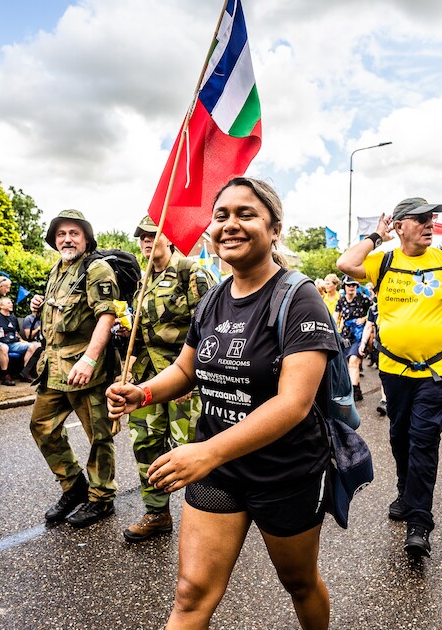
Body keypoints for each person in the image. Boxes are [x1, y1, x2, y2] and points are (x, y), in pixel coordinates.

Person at [108, 177, 335, 628]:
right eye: (221, 215)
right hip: (219, 473)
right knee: (191, 593)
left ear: (275, 229)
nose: (230, 224)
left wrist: (205, 451)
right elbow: (187, 370)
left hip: (284, 471)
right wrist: (144, 393)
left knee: (299, 583)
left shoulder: (300, 298)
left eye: (246, 214)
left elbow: (294, 404)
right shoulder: (212, 298)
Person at [338, 197, 442, 558]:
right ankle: (406, 491)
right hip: (393, 370)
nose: (429, 223)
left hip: (435, 371)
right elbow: (345, 263)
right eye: (420, 218)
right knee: (400, 435)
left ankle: (419, 522)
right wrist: (376, 235)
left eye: (431, 218)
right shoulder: (385, 260)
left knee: (424, 441)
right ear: (401, 225)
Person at [119, 215, 212, 543]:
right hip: (149, 377)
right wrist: (128, 367)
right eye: (141, 236)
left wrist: (191, 376)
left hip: (186, 377)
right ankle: (157, 513)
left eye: (152, 235)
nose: (146, 241)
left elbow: (209, 329)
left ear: (169, 239)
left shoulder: (191, 272)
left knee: (192, 448)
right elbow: (141, 332)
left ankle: (210, 516)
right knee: (145, 442)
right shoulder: (142, 281)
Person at [27, 209, 120, 528]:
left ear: (86, 238)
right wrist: (40, 305)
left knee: (98, 435)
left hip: (87, 371)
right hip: (54, 369)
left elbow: (107, 316)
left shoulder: (97, 269)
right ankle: (74, 486)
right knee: (41, 426)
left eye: (74, 233)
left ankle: (101, 498)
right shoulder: (57, 269)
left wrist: (90, 358)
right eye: (61, 234)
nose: (67, 239)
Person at [0, 296, 39, 386]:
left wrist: (22, 340)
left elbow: (16, 332)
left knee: (31, 346)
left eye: (11, 302)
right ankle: (5, 376)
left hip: (13, 343)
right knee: (4, 347)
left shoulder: (13, 318)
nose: (11, 304)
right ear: (1, 306)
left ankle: (25, 373)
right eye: (8, 303)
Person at [335, 277, 372, 403]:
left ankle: (354, 391)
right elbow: (336, 317)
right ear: (344, 286)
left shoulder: (364, 299)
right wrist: (334, 331)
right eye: (349, 285)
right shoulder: (341, 301)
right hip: (345, 335)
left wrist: (364, 318)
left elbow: (375, 311)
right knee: (345, 363)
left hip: (359, 336)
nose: (351, 287)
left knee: (353, 361)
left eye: (354, 285)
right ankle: (355, 388)